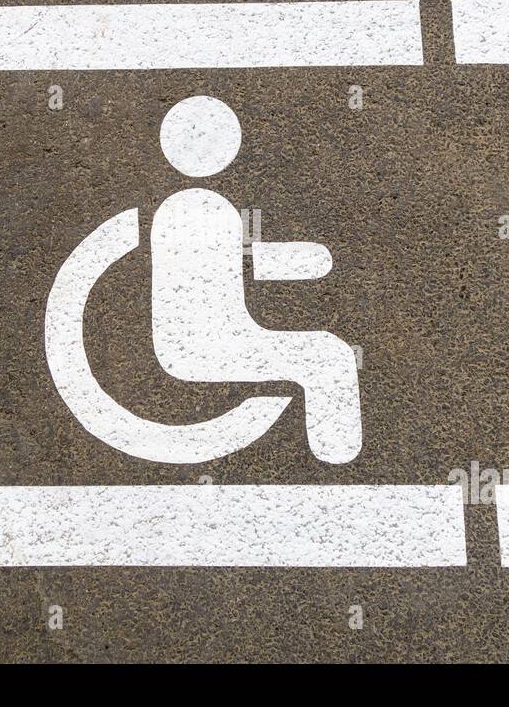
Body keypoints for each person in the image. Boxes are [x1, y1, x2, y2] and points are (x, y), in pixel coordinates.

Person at [150, 95, 363, 464]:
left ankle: (336, 454)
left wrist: (310, 258)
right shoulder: (206, 211)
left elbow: (241, 266)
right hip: (205, 347)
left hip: (200, 340)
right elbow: (245, 266)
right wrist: (313, 258)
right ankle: (338, 456)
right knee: (329, 357)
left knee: (326, 353)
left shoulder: (182, 207)